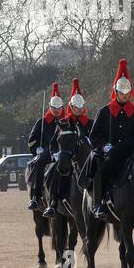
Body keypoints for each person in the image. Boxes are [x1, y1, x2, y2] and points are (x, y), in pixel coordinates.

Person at [87, 60, 134, 219]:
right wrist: (104, 145)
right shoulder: (105, 111)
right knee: (100, 167)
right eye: (122, 92)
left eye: (127, 93)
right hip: (109, 152)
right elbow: (95, 135)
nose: (125, 95)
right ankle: (99, 204)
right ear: (116, 91)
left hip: (131, 150)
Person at [43, 78, 92, 218]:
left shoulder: (89, 123)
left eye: (80, 107)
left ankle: (103, 203)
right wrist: (56, 154)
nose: (78, 110)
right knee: (53, 171)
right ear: (71, 106)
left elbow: (96, 139)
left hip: (86, 158)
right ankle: (52, 203)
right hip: (67, 157)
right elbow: (53, 143)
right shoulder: (63, 123)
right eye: (75, 107)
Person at [26, 82, 63, 211]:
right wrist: (37, 149)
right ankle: (36, 197)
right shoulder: (42, 122)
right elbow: (31, 140)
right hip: (47, 151)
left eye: (59, 108)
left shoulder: (65, 121)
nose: (57, 110)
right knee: (40, 162)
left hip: (62, 151)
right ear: (50, 107)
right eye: (54, 108)